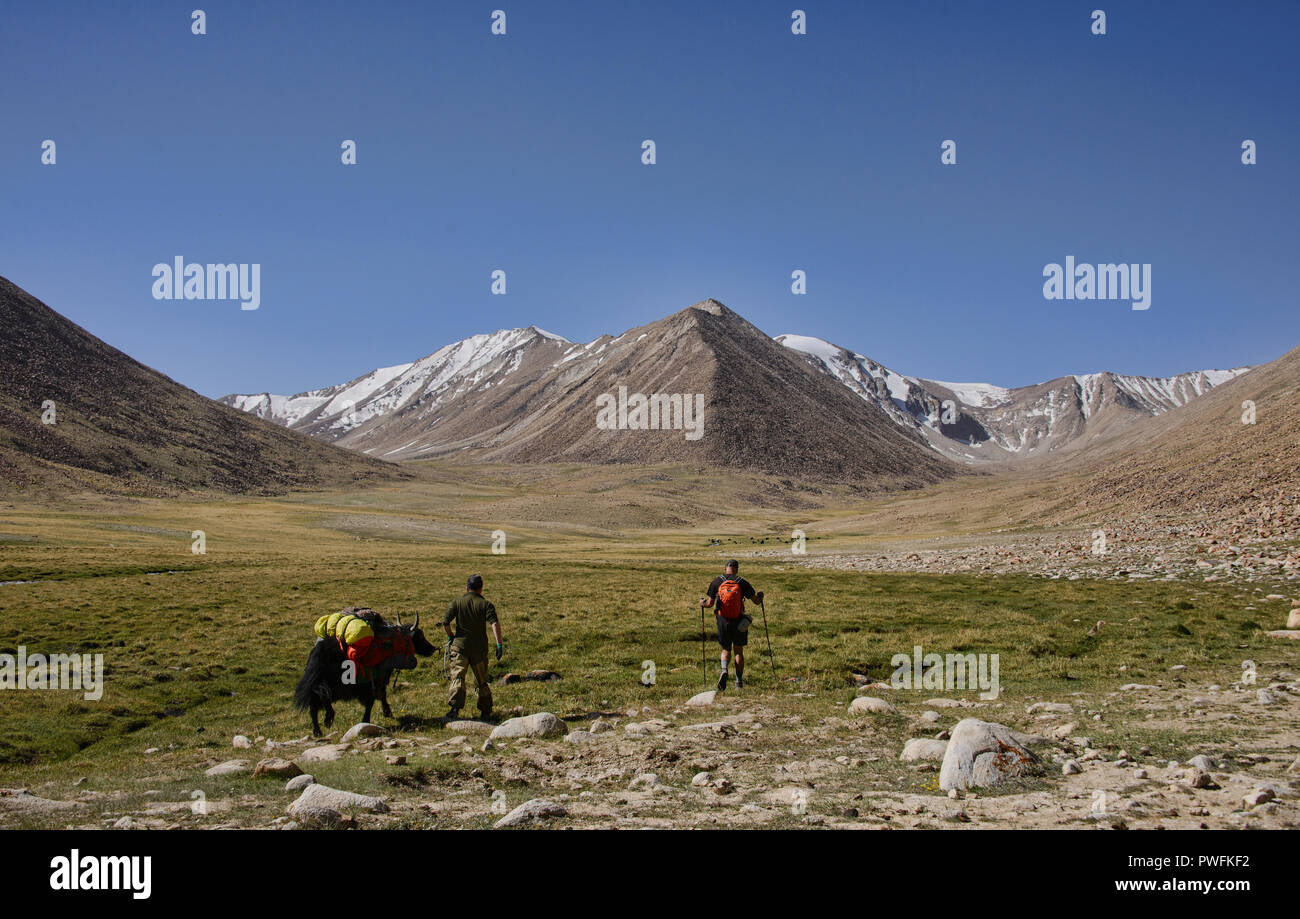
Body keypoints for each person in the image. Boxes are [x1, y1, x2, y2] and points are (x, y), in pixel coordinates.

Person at [442, 574, 503, 720]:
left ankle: (455, 709)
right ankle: (486, 711)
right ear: (481, 588)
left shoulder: (457, 602)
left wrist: (451, 636)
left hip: (459, 647)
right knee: (481, 680)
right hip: (479, 649)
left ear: (466, 587)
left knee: (458, 677)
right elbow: (494, 624)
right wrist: (499, 644)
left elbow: (445, 622)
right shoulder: (485, 604)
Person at [699, 559, 762, 691]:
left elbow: (710, 604)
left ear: (725, 568)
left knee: (726, 649)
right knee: (738, 651)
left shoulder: (717, 581)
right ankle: (738, 682)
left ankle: (724, 670)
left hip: (723, 620)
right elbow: (756, 601)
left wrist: (702, 603)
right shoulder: (741, 582)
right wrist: (761, 597)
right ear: (737, 569)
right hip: (739, 620)